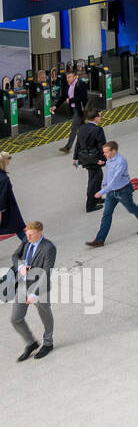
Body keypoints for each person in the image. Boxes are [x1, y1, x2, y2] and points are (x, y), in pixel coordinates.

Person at [86, 141, 138, 247]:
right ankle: (100, 240)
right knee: (106, 214)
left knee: (131, 208)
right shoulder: (109, 160)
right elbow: (108, 173)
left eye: (106, 152)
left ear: (114, 151)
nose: (104, 154)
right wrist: (105, 183)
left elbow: (115, 180)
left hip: (123, 191)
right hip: (112, 192)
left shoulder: (121, 162)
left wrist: (101, 192)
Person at [10, 221, 55, 361]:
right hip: (24, 285)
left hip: (40, 288)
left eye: (31, 235)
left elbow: (46, 273)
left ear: (39, 233)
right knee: (15, 318)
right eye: (27, 235)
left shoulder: (49, 248)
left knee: (45, 315)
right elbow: (15, 256)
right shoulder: (26, 241)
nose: (28, 238)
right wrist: (20, 266)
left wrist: (34, 293)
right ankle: (31, 343)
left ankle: (48, 343)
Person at [72, 111, 107, 213]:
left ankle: (97, 198)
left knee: (96, 177)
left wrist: (75, 158)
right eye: (99, 117)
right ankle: (90, 205)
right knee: (94, 180)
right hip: (95, 158)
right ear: (95, 118)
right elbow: (102, 145)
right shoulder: (98, 130)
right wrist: (102, 159)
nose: (100, 118)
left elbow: (78, 144)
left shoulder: (82, 128)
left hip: (85, 158)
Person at [56, 70, 89, 154]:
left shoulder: (81, 84)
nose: (67, 79)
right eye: (67, 77)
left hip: (80, 110)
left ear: (75, 77)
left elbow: (83, 97)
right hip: (75, 110)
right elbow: (63, 96)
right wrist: (55, 106)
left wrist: (71, 100)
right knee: (83, 128)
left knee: (74, 128)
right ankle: (89, 144)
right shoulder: (69, 85)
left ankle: (68, 147)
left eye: (69, 77)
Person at [0, 150, 26, 233]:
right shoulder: (4, 179)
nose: (10, 160)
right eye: (9, 158)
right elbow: (3, 196)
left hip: (5, 207)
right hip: (8, 207)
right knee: (17, 227)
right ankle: (31, 243)